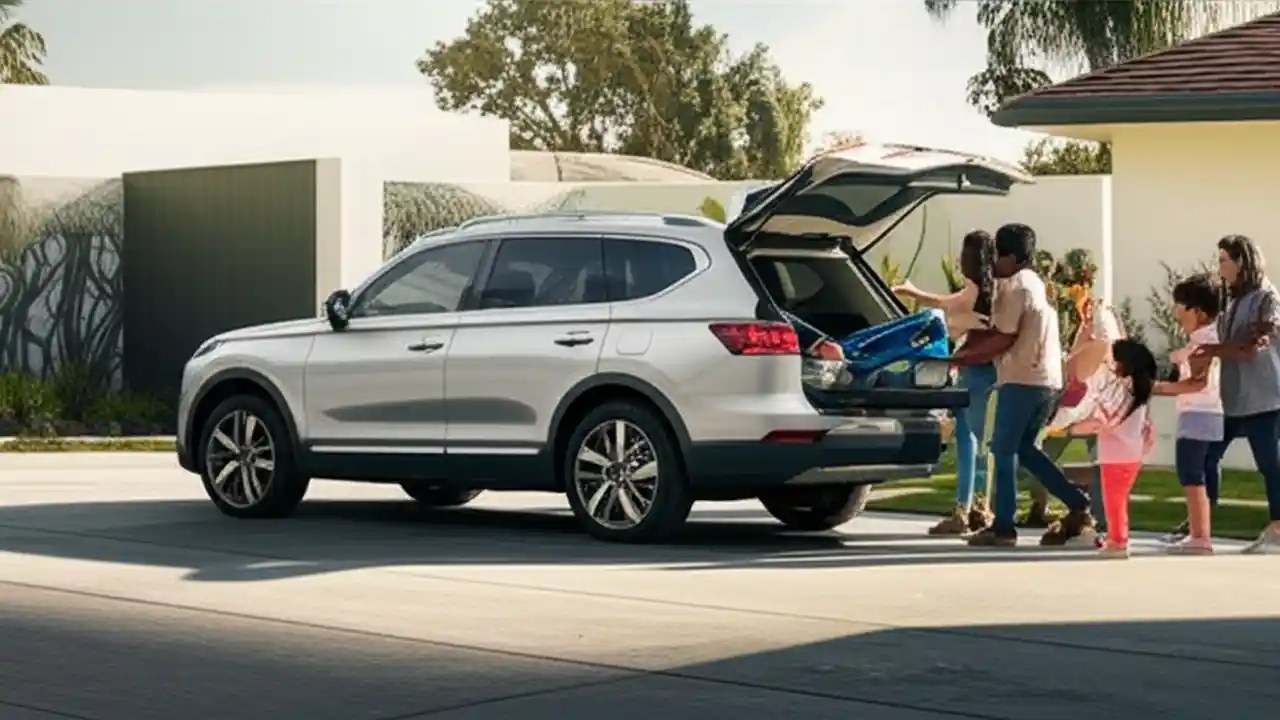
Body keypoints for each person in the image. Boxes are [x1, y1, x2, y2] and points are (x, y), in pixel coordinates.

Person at [953, 223, 1099, 547]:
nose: (993, 264)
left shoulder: (1016, 287)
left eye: (997, 256)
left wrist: (959, 358)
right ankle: (1077, 503)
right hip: (1047, 381)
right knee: (1026, 449)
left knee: (1002, 449)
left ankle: (1003, 526)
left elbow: (1003, 338)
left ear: (1011, 257)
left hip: (1022, 381)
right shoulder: (1035, 283)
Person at [892, 230, 996, 535]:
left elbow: (945, 305)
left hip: (974, 372)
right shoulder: (998, 291)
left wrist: (912, 293)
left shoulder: (972, 292)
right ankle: (982, 507)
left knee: (966, 439)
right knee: (985, 443)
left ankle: (963, 510)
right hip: (995, 371)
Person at [1192, 235, 1280, 554]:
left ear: (1241, 262)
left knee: (1270, 464)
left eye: (1223, 260)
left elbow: (1251, 348)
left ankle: (1278, 529)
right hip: (1231, 399)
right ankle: (1200, 526)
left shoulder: (1267, 298)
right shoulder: (1233, 302)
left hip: (1263, 398)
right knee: (1206, 457)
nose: (1219, 267)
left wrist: (1212, 350)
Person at [1053, 338, 1158, 559]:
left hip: (1117, 456)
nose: (1109, 364)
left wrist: (1070, 429)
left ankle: (1117, 542)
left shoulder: (1123, 392)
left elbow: (1102, 422)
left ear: (1124, 364)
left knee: (1114, 501)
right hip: (1128, 454)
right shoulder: (1137, 392)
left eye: (1113, 360)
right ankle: (1117, 538)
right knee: (1117, 499)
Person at [1153, 274, 1224, 554]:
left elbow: (1197, 383)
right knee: (1197, 473)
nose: (1176, 313)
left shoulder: (1205, 342)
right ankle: (1199, 534)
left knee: (1191, 473)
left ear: (1200, 312)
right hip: (1205, 414)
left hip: (1198, 414)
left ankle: (1200, 536)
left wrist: (1156, 388)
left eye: (1181, 307)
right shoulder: (1205, 339)